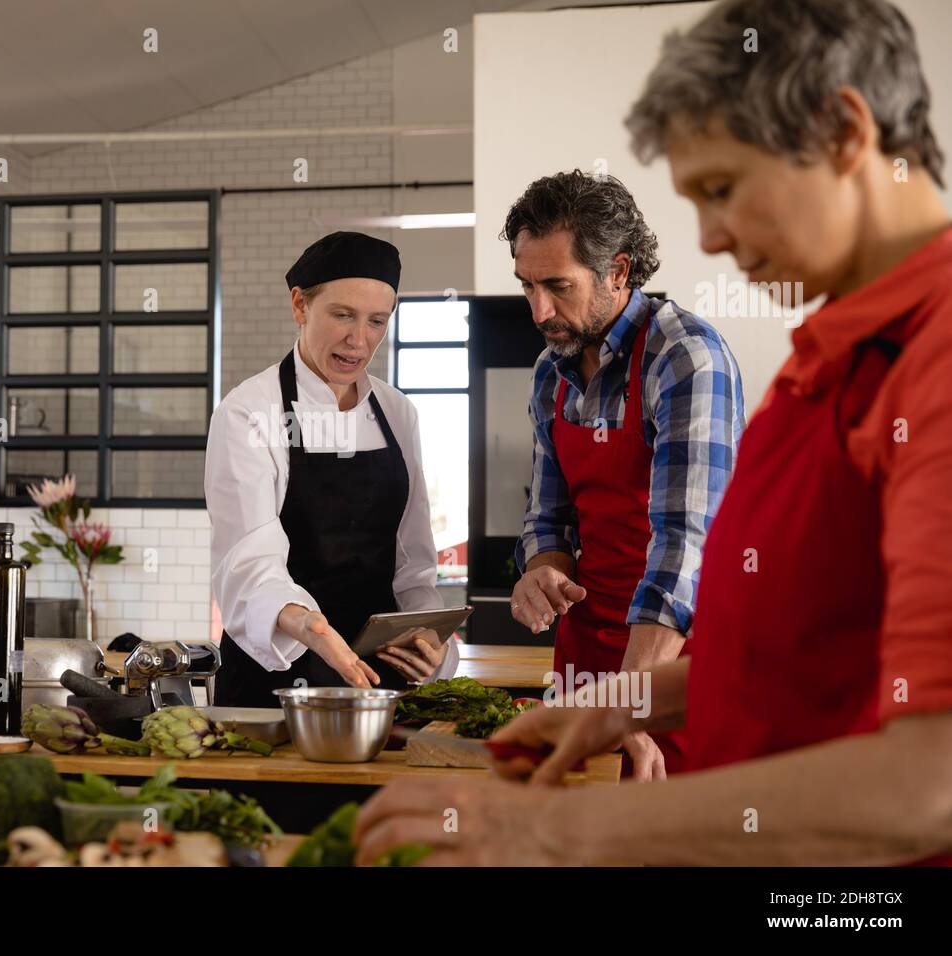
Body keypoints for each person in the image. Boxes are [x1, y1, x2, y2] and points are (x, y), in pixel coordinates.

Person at [354, 0, 952, 866]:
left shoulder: (933, 359)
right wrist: (614, 706)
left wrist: (554, 830)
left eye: (721, 188)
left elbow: (931, 780)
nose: (709, 234)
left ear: (843, 132)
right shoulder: (832, 358)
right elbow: (791, 653)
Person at [505, 171, 744, 778]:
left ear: (618, 270)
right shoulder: (549, 369)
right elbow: (548, 515)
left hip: (675, 660)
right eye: (527, 286)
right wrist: (543, 567)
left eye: (558, 286)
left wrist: (627, 705)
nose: (540, 310)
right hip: (585, 655)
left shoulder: (684, 357)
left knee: (675, 836)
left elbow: (685, 545)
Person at [206, 232, 457, 707]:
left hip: (378, 685)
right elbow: (248, 563)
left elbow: (414, 569)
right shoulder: (249, 412)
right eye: (342, 315)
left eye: (377, 321)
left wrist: (429, 639)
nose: (358, 340)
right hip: (275, 677)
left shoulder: (398, 413)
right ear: (299, 305)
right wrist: (312, 625)